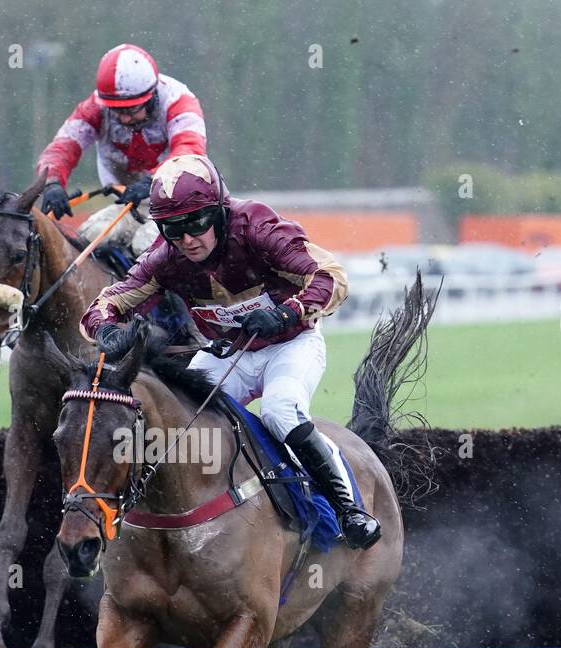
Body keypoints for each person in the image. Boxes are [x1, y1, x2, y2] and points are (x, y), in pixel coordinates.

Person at [78, 154, 381, 550]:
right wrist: (106, 332)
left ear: (219, 212)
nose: (188, 239)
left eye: (197, 223)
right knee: (179, 421)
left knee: (280, 409)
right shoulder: (165, 258)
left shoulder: (256, 226)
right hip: (225, 352)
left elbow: (330, 276)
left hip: (291, 345)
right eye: (173, 228)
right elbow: (103, 306)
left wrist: (287, 313)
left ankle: (347, 509)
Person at [36, 43, 206, 257]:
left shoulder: (179, 101)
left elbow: (189, 152)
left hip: (183, 205)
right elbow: (62, 146)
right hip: (132, 205)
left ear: (152, 95)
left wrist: (154, 180)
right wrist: (52, 184)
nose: (124, 118)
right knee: (87, 238)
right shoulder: (95, 106)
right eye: (116, 111)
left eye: (131, 109)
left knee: (146, 245)